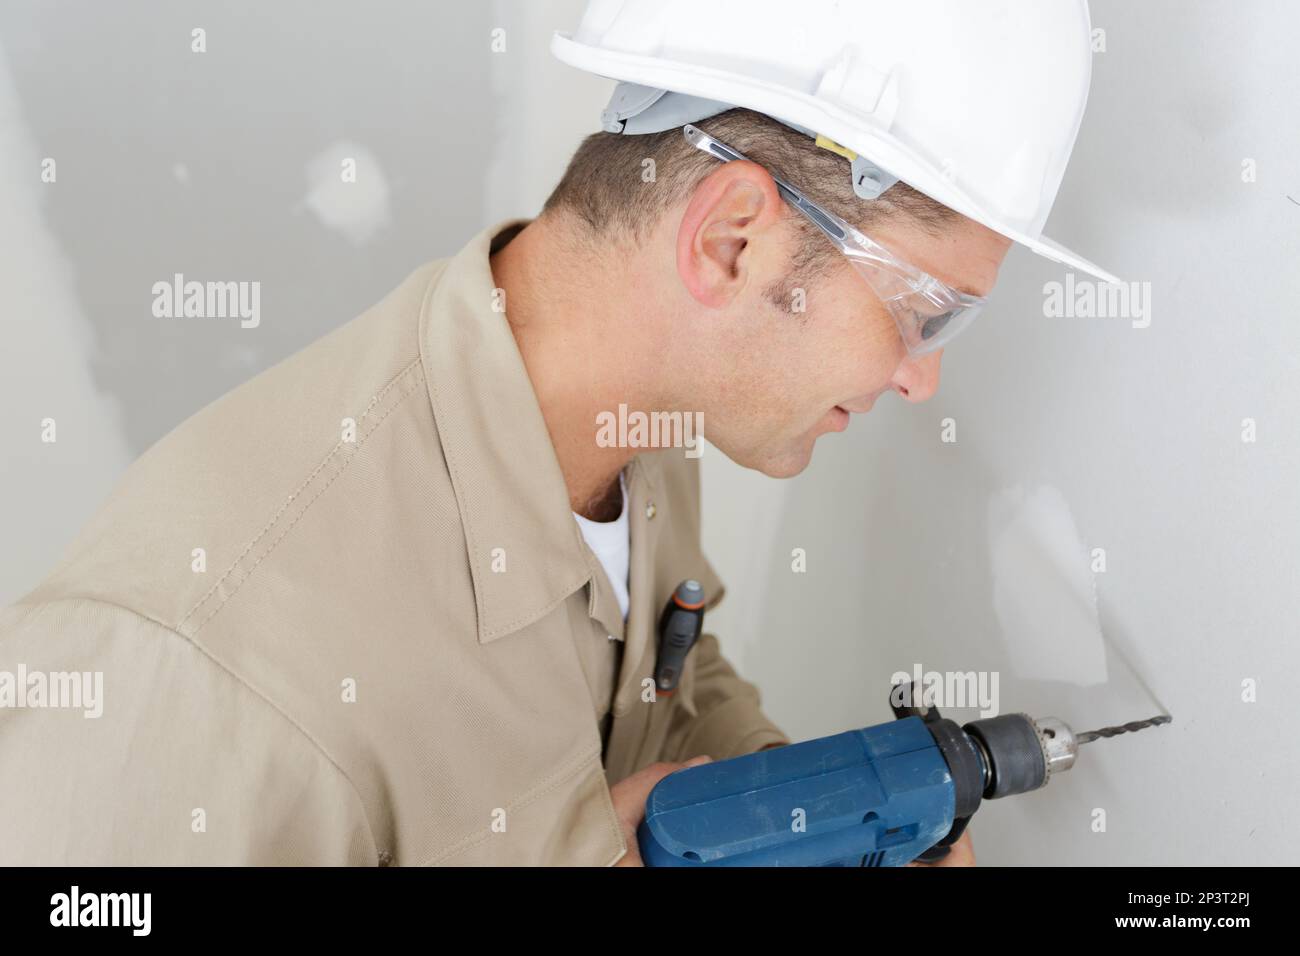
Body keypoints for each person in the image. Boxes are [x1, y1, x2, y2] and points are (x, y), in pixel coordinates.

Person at [0, 0, 1114, 866]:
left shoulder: (651, 416)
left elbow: (664, 669)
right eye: (927, 313)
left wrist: (791, 809)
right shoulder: (197, 670)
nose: (920, 378)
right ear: (732, 241)